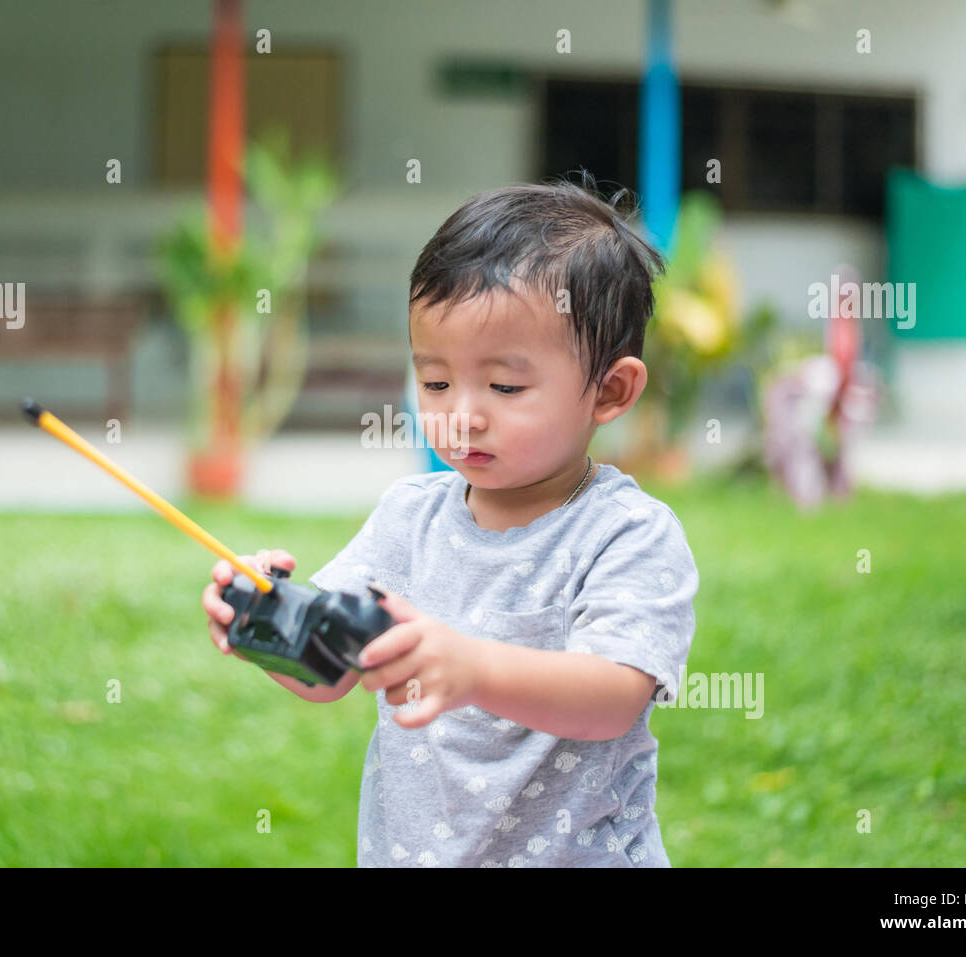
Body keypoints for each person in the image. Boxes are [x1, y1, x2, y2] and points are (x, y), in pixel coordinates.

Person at [203, 175, 699, 867]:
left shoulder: (625, 534)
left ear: (611, 390)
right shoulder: (410, 516)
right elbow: (331, 673)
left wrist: (470, 668)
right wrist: (265, 622)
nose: (460, 413)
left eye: (504, 386)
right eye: (435, 381)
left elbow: (613, 695)